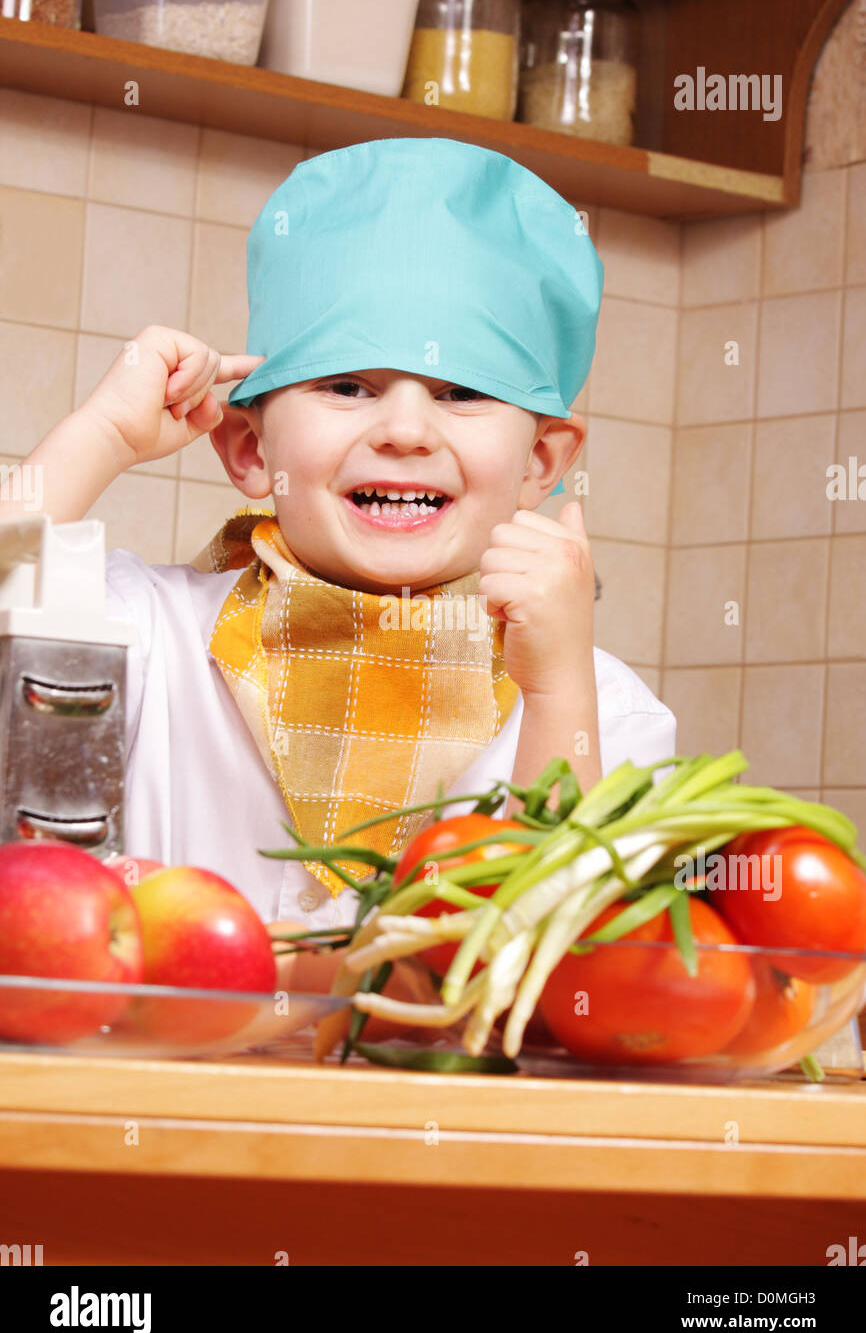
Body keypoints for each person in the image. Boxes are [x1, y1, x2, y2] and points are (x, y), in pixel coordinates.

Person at [4, 137, 675, 929]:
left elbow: (565, 946)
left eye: (462, 392)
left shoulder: (601, 709)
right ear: (251, 449)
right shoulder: (148, 635)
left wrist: (559, 693)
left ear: (540, 461)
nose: (404, 429)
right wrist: (103, 435)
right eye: (347, 385)